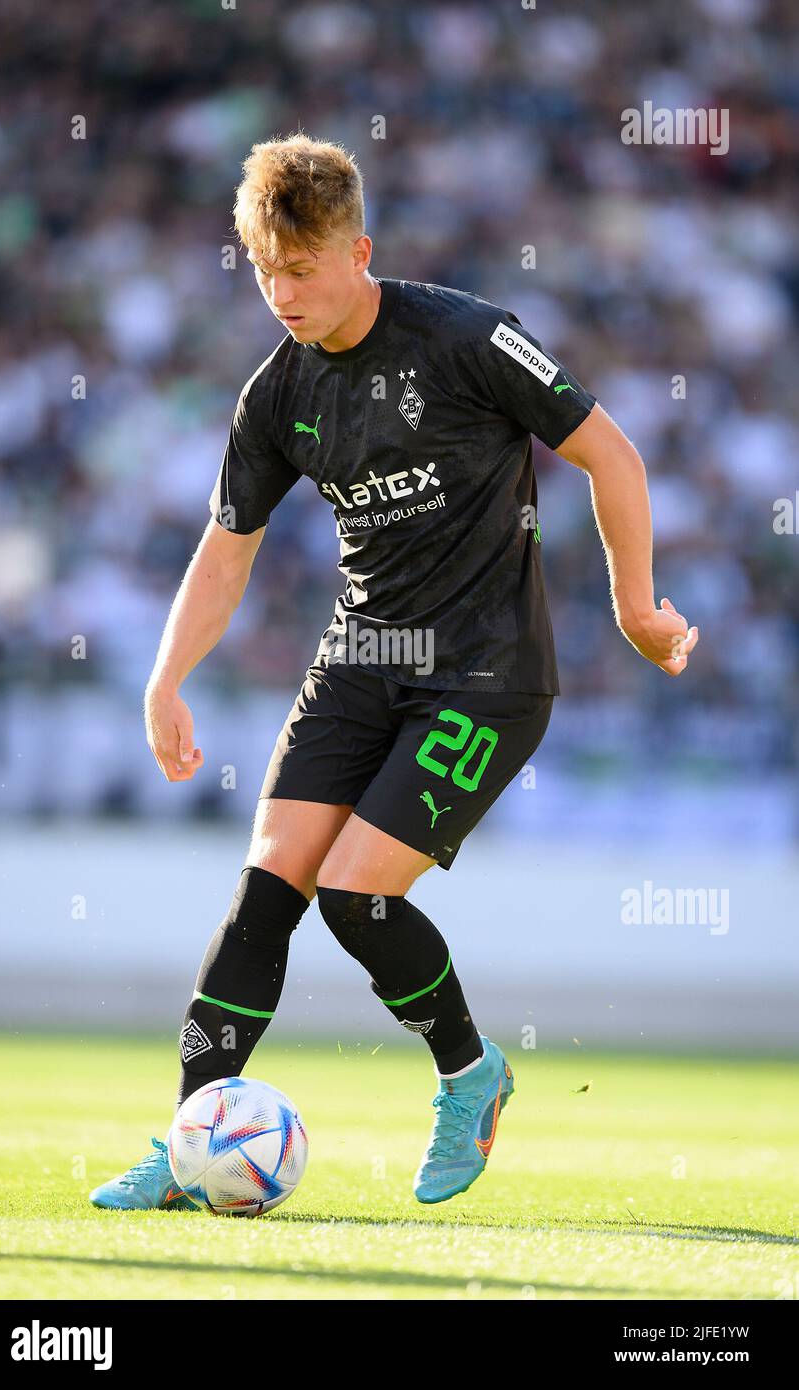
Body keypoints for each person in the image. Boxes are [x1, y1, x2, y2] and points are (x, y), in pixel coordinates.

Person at [90, 132, 698, 1212]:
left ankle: (471, 1074)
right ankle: (192, 1142)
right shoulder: (274, 397)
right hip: (363, 657)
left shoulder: (468, 338)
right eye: (266, 271)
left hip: (486, 673)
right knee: (267, 888)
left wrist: (635, 602)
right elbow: (227, 548)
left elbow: (611, 451)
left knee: (354, 895)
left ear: (357, 248)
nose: (282, 293)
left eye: (302, 268)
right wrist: (164, 676)